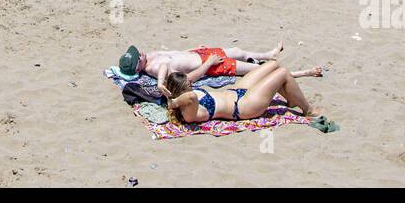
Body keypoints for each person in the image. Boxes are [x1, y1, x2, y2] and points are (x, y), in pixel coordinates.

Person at [161, 61, 320, 125]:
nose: (191, 84)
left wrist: (161, 84)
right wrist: (173, 102)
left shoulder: (183, 92)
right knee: (283, 72)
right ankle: (308, 110)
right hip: (243, 106)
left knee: (273, 65)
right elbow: (191, 96)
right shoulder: (189, 111)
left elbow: (165, 65)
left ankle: (291, 99)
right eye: (188, 84)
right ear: (180, 91)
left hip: (236, 91)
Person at [119, 43, 321, 82]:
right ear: (138, 65)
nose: (142, 52)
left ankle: (269, 54)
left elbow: (175, 53)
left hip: (202, 54)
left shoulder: (152, 56)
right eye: (139, 56)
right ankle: (301, 73)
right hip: (211, 65)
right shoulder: (154, 69)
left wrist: (195, 49)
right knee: (255, 70)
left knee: (239, 51)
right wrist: (209, 64)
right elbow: (186, 79)